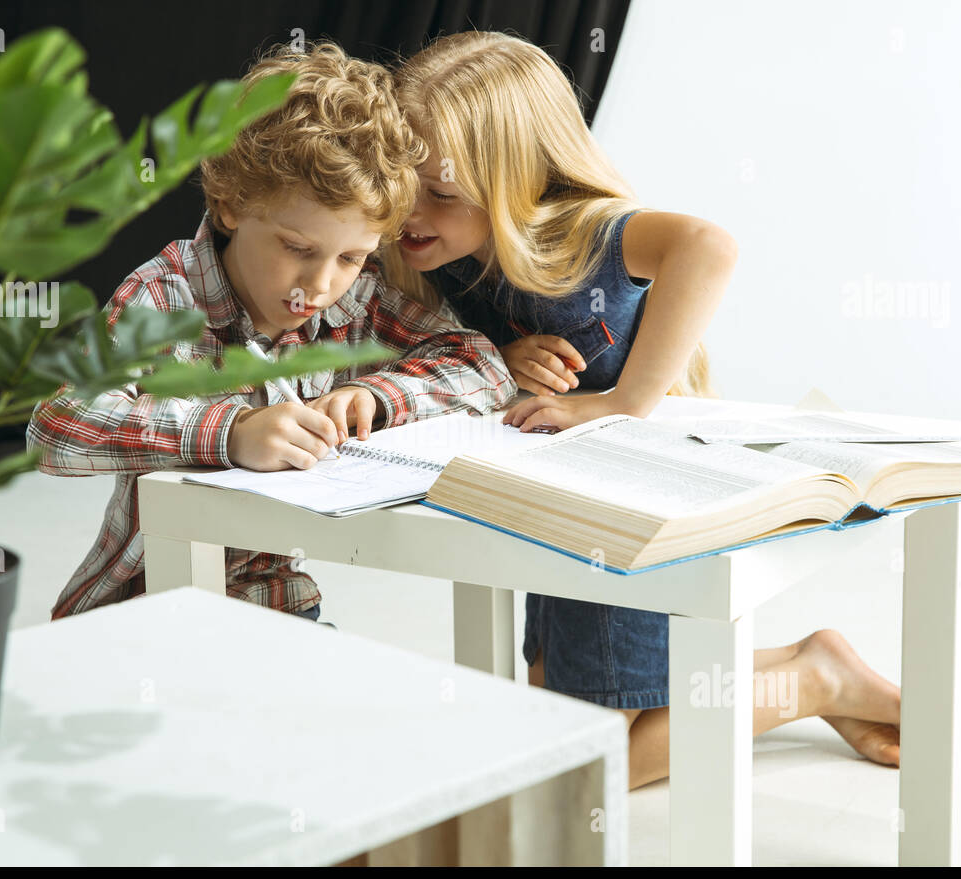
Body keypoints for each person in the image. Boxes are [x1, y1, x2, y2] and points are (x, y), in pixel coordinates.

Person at [383, 31, 900, 789]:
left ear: (517, 177)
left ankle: (817, 680)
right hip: (555, 510)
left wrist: (624, 401)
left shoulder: (585, 233)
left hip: (631, 508)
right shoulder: (452, 258)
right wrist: (505, 363)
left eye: (443, 193)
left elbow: (708, 245)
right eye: (403, 186)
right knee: (562, 696)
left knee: (575, 771)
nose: (411, 215)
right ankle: (807, 668)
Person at [27, 41, 514, 624]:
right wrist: (228, 434)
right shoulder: (165, 296)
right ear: (230, 204)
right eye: (297, 248)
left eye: (351, 257)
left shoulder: (358, 297)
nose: (320, 283)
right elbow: (55, 427)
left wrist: (379, 396)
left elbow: (480, 364)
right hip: (144, 612)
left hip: (279, 606)